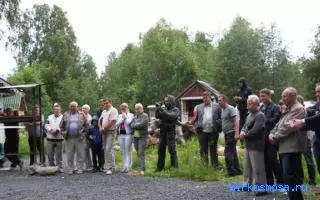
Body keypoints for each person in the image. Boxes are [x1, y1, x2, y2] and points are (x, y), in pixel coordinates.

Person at [269, 87, 307, 200]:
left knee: (291, 177)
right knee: (288, 177)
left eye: (284, 96)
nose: (282, 99)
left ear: (292, 95)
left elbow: (288, 127)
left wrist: (274, 136)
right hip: (285, 147)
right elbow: (279, 123)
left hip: (292, 148)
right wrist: (271, 133)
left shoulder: (298, 109)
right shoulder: (288, 108)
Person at [239, 95, 267, 196]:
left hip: (256, 145)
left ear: (256, 104)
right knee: (247, 167)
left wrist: (244, 135)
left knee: (257, 168)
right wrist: (242, 131)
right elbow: (244, 126)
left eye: (250, 103)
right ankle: (246, 185)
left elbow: (256, 130)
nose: (247, 105)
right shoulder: (249, 114)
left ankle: (261, 188)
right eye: (247, 103)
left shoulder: (260, 115)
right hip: (248, 144)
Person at [189, 91, 221, 168]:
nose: (204, 99)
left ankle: (215, 166)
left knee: (213, 149)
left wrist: (218, 124)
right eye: (203, 98)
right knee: (203, 149)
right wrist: (191, 122)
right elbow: (195, 118)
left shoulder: (217, 106)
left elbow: (221, 117)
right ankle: (204, 166)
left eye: (206, 98)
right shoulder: (199, 107)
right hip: (202, 131)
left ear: (210, 97)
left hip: (213, 131)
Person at [259, 88, 283, 185]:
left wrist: (262, 121)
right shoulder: (261, 108)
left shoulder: (275, 107)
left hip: (271, 137)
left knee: (272, 160)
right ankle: (269, 183)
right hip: (262, 139)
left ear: (269, 96)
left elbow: (274, 120)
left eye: (263, 96)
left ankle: (281, 182)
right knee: (265, 161)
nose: (262, 98)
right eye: (260, 96)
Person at [60, 101, 89, 175]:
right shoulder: (66, 114)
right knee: (69, 154)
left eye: (74, 106)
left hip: (79, 138)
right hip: (69, 138)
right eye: (71, 106)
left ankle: (80, 168)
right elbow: (61, 125)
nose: (72, 108)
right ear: (69, 107)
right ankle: (71, 169)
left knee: (80, 154)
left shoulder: (82, 114)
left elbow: (87, 125)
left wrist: (84, 133)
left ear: (77, 107)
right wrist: (63, 132)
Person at [218, 95, 241, 176]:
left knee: (227, 152)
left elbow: (236, 120)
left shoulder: (230, 108)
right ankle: (237, 170)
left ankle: (231, 172)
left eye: (220, 100)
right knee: (233, 152)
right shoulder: (223, 110)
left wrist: (237, 133)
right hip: (227, 133)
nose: (218, 102)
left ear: (224, 100)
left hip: (231, 133)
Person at [155, 95, 180, 172]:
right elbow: (158, 116)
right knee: (160, 150)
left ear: (171, 101)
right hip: (163, 132)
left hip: (170, 132)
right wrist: (157, 109)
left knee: (171, 150)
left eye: (167, 101)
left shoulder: (175, 110)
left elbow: (170, 116)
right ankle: (160, 168)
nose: (165, 102)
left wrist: (162, 109)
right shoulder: (165, 109)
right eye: (165, 101)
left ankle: (175, 167)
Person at [297, 95, 316, 185]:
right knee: (298, 159)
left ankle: (312, 179)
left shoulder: (305, 111)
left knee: (308, 160)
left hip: (306, 138)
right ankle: (301, 177)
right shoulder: (296, 112)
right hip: (297, 138)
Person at [99, 98, 118, 175]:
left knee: (108, 148)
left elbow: (112, 122)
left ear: (110, 103)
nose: (106, 104)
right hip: (104, 132)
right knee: (106, 149)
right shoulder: (103, 111)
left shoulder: (113, 110)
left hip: (110, 131)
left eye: (107, 103)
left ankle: (110, 167)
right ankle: (111, 166)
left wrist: (104, 128)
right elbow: (100, 120)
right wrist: (100, 127)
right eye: (105, 103)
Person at [234, 77, 253, 147]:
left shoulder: (249, 89)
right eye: (239, 83)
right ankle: (242, 142)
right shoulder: (239, 90)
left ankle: (248, 141)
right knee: (241, 125)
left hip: (247, 110)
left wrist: (242, 99)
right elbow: (237, 101)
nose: (240, 84)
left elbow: (251, 99)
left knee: (247, 124)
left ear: (244, 83)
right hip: (240, 110)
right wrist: (236, 99)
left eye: (241, 83)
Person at [45, 103, 64, 171]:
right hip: (50, 137)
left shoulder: (63, 117)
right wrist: (51, 130)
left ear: (60, 110)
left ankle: (59, 167)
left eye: (58, 110)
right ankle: (51, 166)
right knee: (50, 154)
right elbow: (46, 125)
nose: (56, 111)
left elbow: (63, 126)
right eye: (55, 109)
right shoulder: (49, 117)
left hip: (59, 137)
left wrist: (58, 130)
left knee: (59, 154)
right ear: (53, 110)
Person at [116, 103, 134, 173]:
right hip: (120, 135)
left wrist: (125, 117)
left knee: (128, 150)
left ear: (127, 108)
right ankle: (125, 165)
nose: (123, 109)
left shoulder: (131, 115)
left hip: (128, 134)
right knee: (123, 151)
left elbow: (128, 122)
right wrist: (122, 119)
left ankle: (128, 165)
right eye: (122, 108)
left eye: (125, 107)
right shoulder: (119, 115)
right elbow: (117, 124)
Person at [131, 103, 149, 175]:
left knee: (141, 152)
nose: (137, 110)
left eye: (138, 108)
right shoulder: (135, 117)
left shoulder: (145, 116)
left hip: (142, 137)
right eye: (136, 108)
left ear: (142, 109)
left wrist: (135, 125)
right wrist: (136, 125)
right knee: (138, 152)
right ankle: (141, 167)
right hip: (136, 137)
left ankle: (142, 169)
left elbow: (142, 124)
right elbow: (131, 125)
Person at [82, 104, 93, 171]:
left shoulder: (89, 117)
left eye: (85, 108)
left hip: (87, 136)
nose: (83, 109)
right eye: (83, 108)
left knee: (86, 150)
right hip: (81, 135)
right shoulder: (79, 116)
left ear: (88, 110)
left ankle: (89, 166)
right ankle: (82, 166)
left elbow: (89, 126)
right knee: (82, 151)